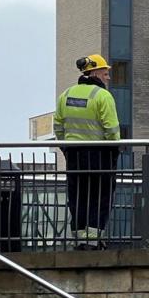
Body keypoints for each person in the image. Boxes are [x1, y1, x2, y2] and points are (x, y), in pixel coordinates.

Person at [53, 54, 120, 249]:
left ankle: (79, 239)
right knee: (101, 195)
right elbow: (112, 130)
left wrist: (66, 148)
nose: (108, 77)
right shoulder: (102, 96)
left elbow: (58, 127)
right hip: (100, 154)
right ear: (95, 73)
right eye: (106, 73)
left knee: (78, 196)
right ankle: (93, 240)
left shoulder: (65, 95)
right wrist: (114, 152)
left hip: (74, 155)